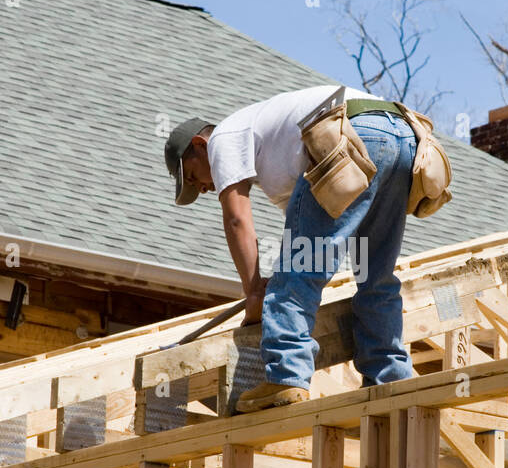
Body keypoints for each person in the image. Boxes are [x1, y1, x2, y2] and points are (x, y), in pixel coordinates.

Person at [164, 85, 419, 412]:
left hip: (350, 133)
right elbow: (316, 234)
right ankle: (390, 376)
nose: (202, 187)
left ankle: (287, 377)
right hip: (399, 134)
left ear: (199, 146)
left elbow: (237, 219)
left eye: (194, 176)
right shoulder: (277, 161)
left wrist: (254, 290)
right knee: (374, 274)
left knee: (294, 272)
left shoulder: (223, 138)